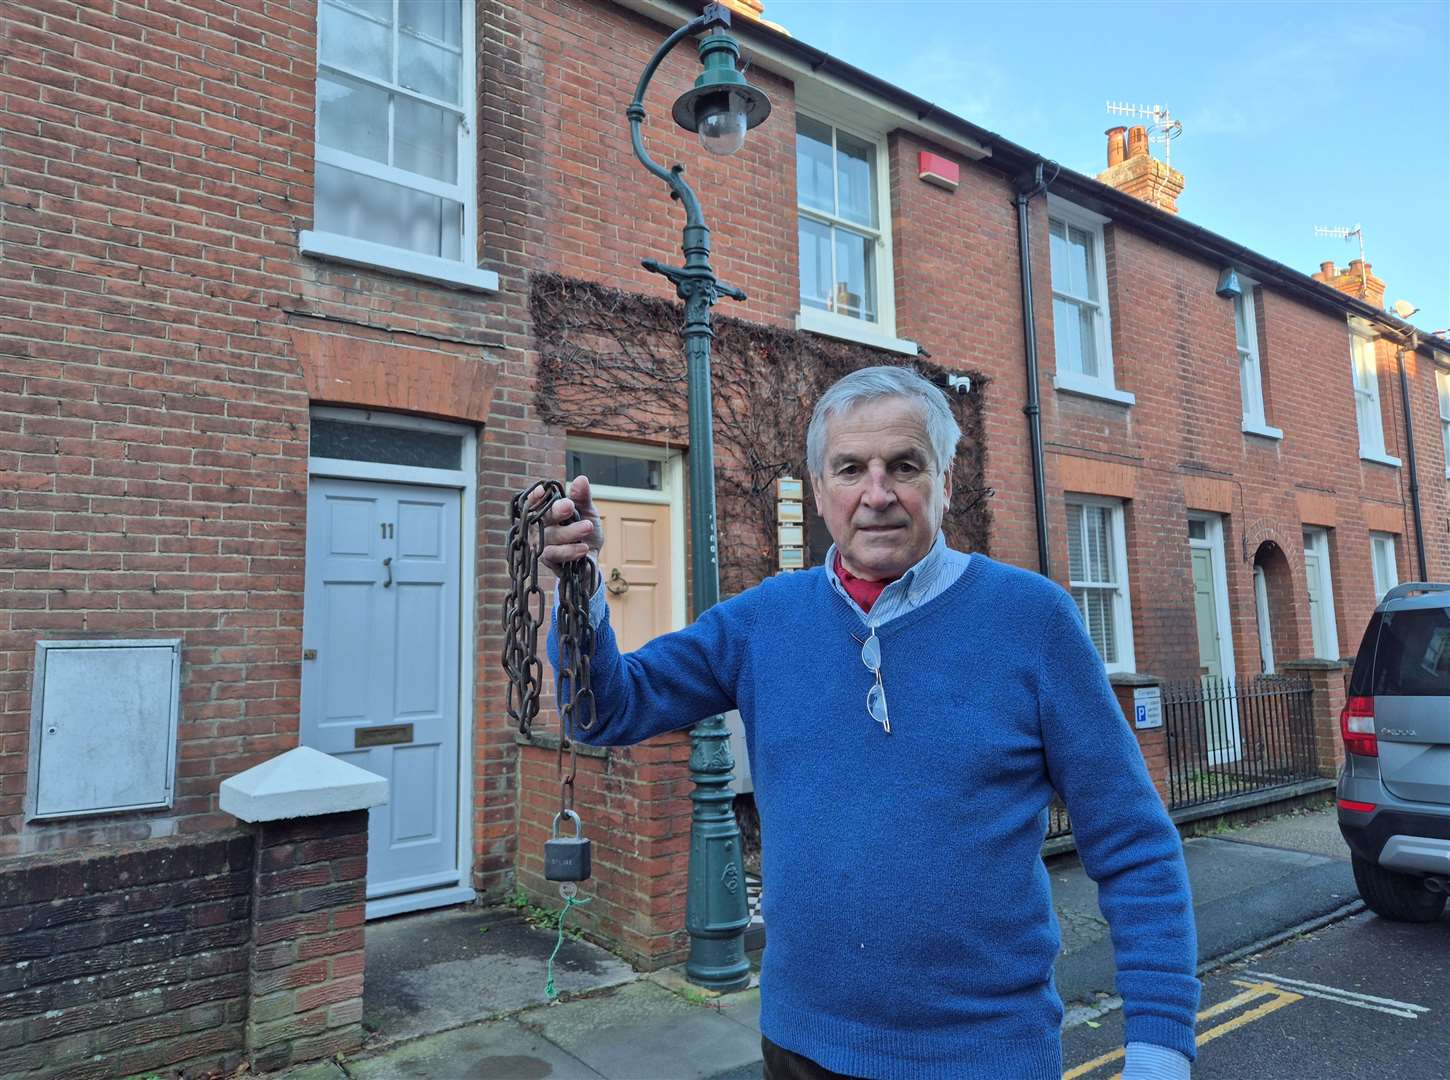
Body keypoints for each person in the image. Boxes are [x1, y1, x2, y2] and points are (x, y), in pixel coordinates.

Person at [539, 365, 1198, 1080]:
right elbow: (604, 709)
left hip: (983, 1056)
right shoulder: (764, 620)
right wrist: (580, 588)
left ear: (945, 482)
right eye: (850, 468)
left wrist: (1159, 1049)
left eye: (904, 466)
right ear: (820, 491)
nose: (876, 494)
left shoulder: (1032, 621)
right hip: (801, 1051)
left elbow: (1132, 842)